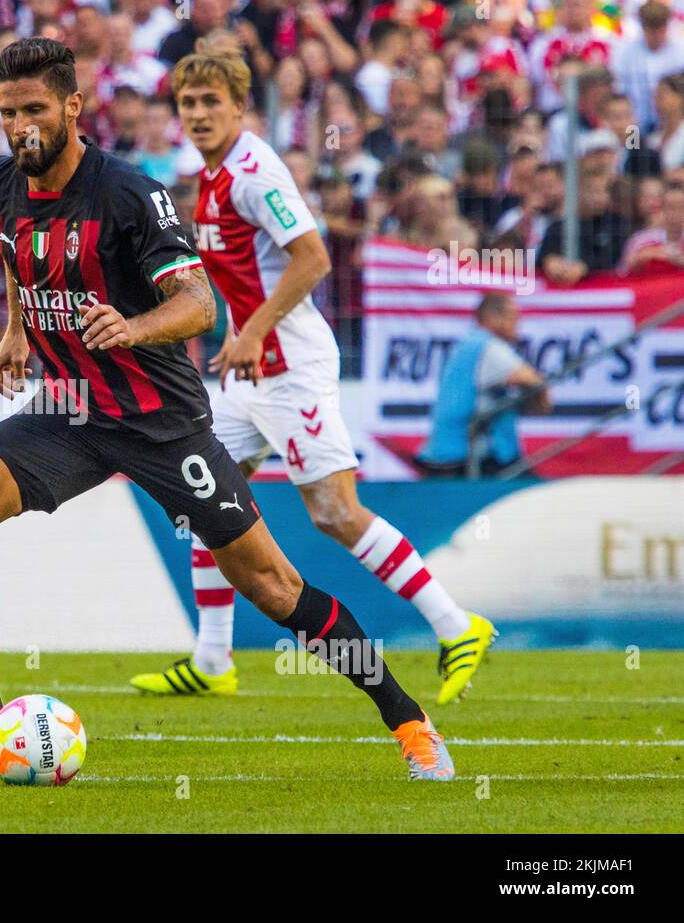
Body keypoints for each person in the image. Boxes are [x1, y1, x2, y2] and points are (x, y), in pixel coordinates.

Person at [0, 37, 454, 782]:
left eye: (35, 110)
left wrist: (132, 327)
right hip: (71, 410)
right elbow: (19, 253)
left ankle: (410, 722)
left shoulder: (130, 195)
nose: (21, 128)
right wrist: (17, 328)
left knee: (275, 587)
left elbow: (200, 306)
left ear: (74, 107)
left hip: (159, 421)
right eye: (8, 113)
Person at [128, 42, 495, 709]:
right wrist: (239, 329)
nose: (200, 113)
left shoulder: (253, 174)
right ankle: (213, 659)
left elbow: (313, 258)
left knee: (335, 514)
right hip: (250, 368)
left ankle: (456, 623)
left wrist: (257, 329)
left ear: (241, 107)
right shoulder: (208, 177)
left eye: (213, 101)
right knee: (208, 498)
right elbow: (248, 271)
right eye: (189, 103)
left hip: (290, 366)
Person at [417, 292, 551, 477]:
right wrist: (542, 395)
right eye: (513, 317)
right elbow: (531, 380)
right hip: (472, 454)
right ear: (492, 318)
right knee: (531, 496)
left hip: (446, 450)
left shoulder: (466, 344)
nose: (518, 324)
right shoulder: (489, 347)